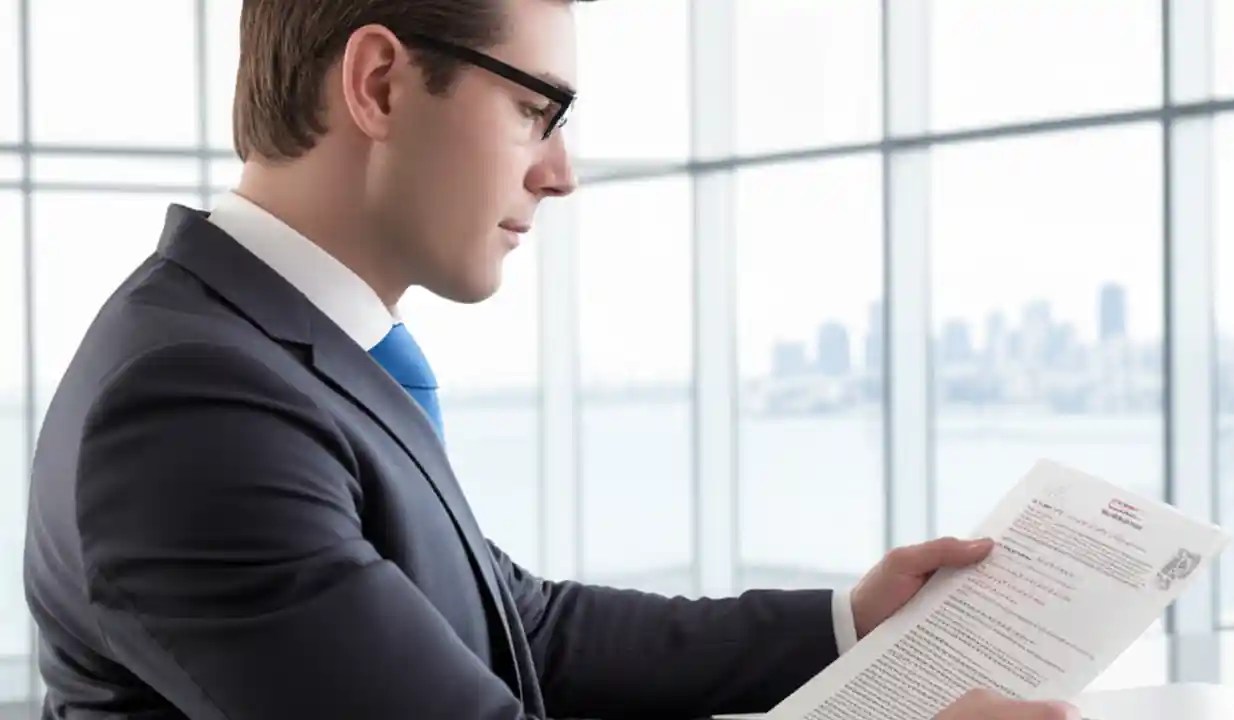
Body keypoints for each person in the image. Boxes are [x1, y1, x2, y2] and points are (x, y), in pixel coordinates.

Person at [23, 1, 1080, 718]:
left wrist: (848, 625)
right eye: (534, 111)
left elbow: (515, 621)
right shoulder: (190, 409)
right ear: (381, 83)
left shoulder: (282, 354)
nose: (560, 174)